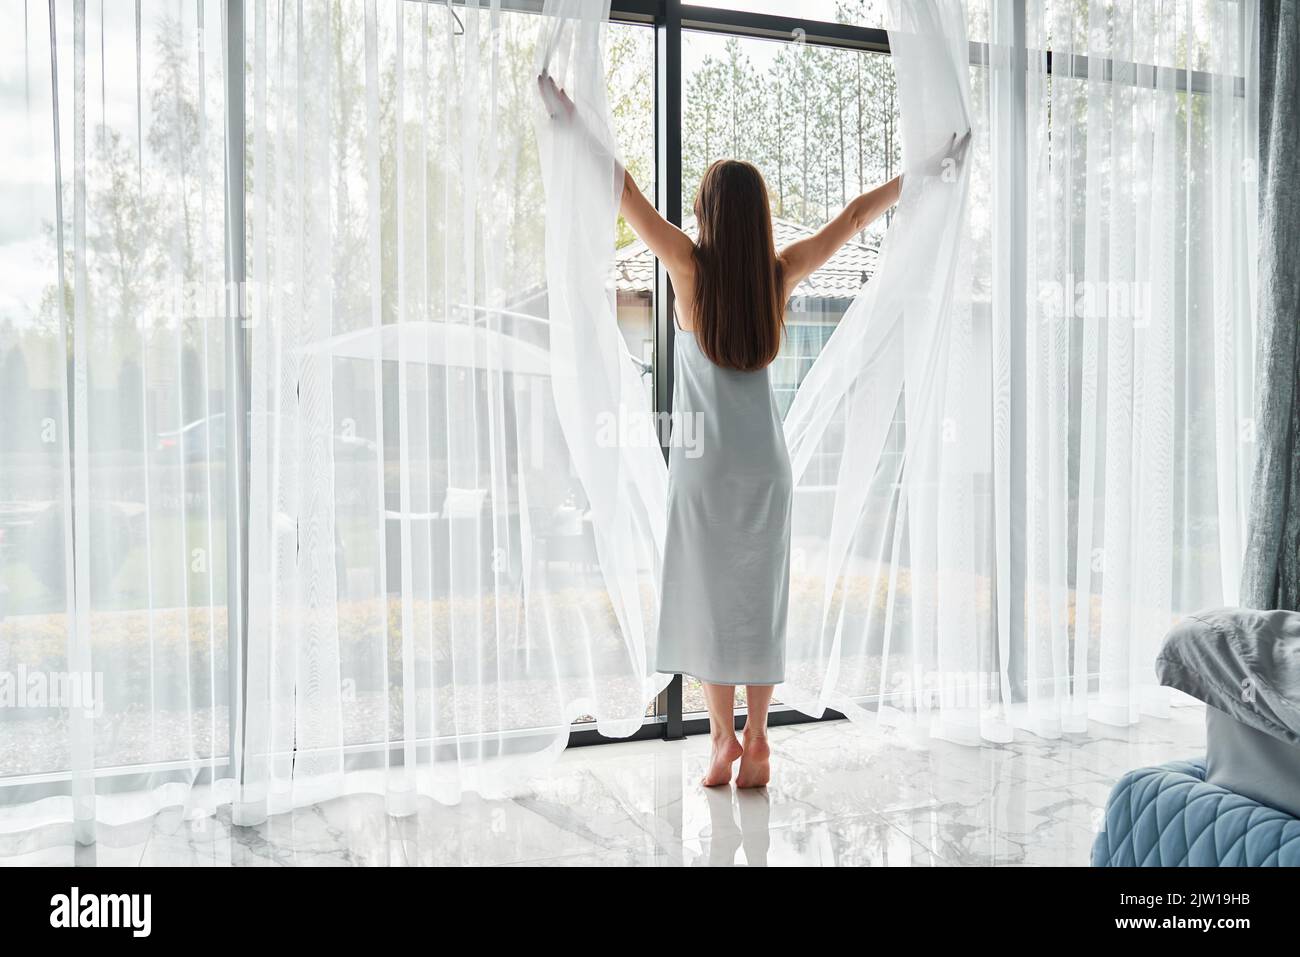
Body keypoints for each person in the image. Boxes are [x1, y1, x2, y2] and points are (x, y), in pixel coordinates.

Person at [539, 73, 958, 789]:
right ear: (758, 218)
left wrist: (573, 121)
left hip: (703, 472)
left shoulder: (686, 267)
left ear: (706, 213)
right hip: (767, 466)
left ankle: (722, 741)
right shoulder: (780, 271)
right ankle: (760, 740)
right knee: (757, 602)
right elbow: (857, 217)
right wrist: (923, 173)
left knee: (708, 602)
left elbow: (624, 189)